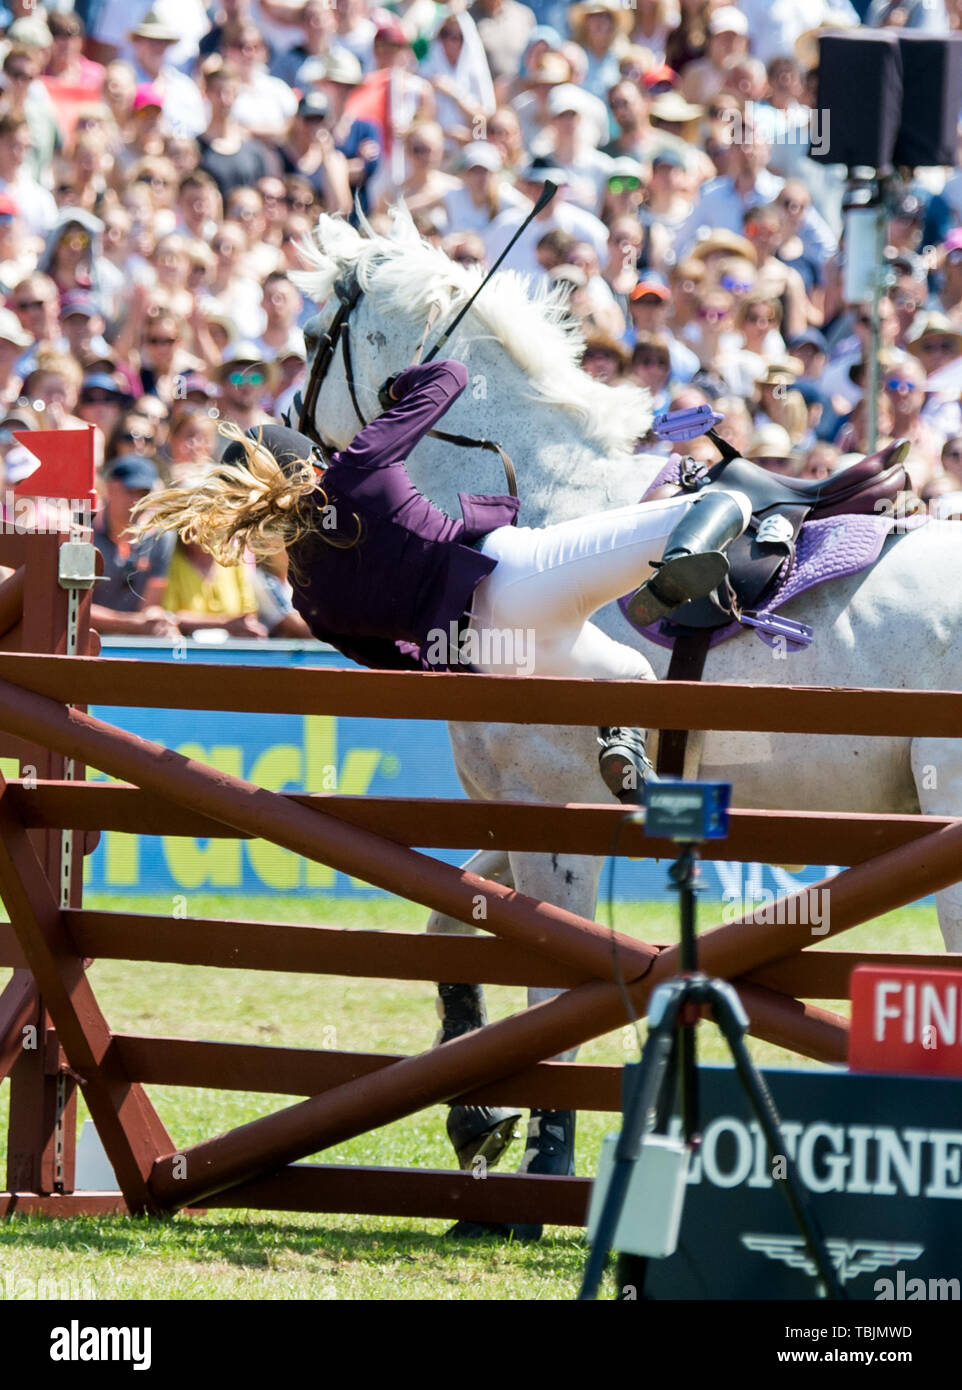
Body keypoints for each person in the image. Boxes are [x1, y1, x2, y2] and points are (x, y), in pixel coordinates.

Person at [130, 358, 752, 796]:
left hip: (489, 653)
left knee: (631, 674)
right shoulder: (355, 469)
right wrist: (390, 389)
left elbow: (394, 660)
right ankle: (671, 574)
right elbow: (448, 376)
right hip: (516, 574)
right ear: (308, 459)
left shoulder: (307, 595)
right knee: (721, 504)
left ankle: (621, 742)